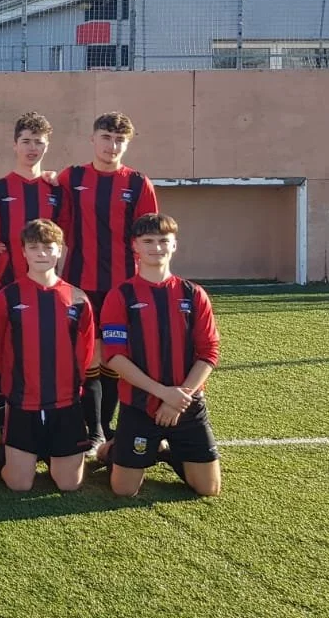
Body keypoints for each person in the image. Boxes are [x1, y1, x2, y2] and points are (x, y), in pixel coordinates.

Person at [95, 213, 223, 497]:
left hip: (186, 404)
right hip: (140, 405)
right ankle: (115, 449)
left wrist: (178, 399)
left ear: (174, 245)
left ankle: (164, 449)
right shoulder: (121, 296)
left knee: (208, 489)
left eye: (164, 241)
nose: (157, 247)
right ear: (135, 247)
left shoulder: (193, 294)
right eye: (148, 241)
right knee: (124, 490)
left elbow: (209, 352)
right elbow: (114, 356)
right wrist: (163, 393)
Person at [58, 111, 159, 452]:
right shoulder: (71, 177)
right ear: (92, 139)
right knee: (87, 357)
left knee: (114, 357)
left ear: (126, 144)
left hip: (122, 287)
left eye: (119, 140)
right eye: (106, 137)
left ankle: (104, 427)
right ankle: (94, 429)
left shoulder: (138, 184)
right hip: (78, 284)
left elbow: (149, 235)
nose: (112, 145)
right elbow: (53, 216)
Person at [0, 219, 95, 493]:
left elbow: (86, 351)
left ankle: (48, 453)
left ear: (60, 250)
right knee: (19, 485)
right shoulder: (8, 297)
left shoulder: (78, 298)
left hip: (65, 403)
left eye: (48, 247)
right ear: (23, 252)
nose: (42, 253)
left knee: (69, 484)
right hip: (23, 402)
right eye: (34, 247)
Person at [0, 111, 66, 443]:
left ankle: (58, 424)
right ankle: (4, 432)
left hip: (49, 289)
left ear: (47, 145)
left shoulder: (56, 188)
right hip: (8, 284)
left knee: (50, 352)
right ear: (15, 144)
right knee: (2, 354)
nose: (32, 148)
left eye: (39, 142)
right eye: (26, 141)